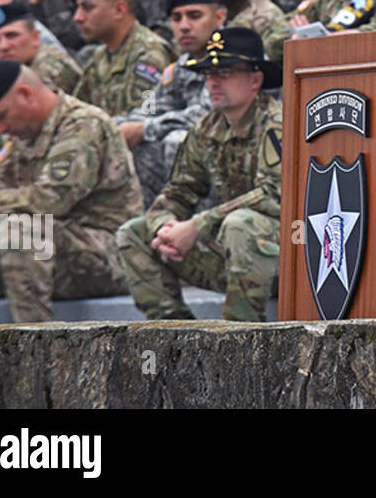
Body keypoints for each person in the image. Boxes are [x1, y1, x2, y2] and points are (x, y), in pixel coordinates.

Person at [116, 27, 283, 321]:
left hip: (288, 254)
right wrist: (165, 227)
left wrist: (196, 225)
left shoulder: (277, 123)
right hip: (234, 254)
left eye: (225, 73)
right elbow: (178, 191)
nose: (213, 82)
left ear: (255, 80)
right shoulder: (207, 128)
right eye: (209, 74)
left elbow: (274, 196)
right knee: (134, 233)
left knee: (240, 224)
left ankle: (241, 337)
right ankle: (172, 333)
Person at [0, 61, 142, 323]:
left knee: (21, 229)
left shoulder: (84, 125)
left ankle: (35, 341)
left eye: (1, 116)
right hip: (53, 253)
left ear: (26, 94)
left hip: (108, 254)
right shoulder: (23, 137)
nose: (1, 129)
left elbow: (49, 201)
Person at [116, 0, 223, 201]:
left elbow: (209, 116)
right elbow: (151, 107)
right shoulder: (180, 66)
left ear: (219, 18)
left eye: (194, 16)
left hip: (231, 149)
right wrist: (119, 127)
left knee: (177, 140)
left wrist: (144, 128)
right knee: (121, 133)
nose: (184, 26)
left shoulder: (233, 59)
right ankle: (150, 215)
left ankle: (192, 216)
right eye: (176, 18)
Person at [72, 0, 175, 117]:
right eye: (78, 8)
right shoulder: (100, 56)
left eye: (88, 8)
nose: (78, 17)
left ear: (119, 10)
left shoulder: (149, 54)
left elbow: (145, 117)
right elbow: (77, 111)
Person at [0, 0, 81, 93]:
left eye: (12, 35)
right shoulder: (5, 71)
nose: (3, 46)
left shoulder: (49, 64)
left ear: (35, 37)